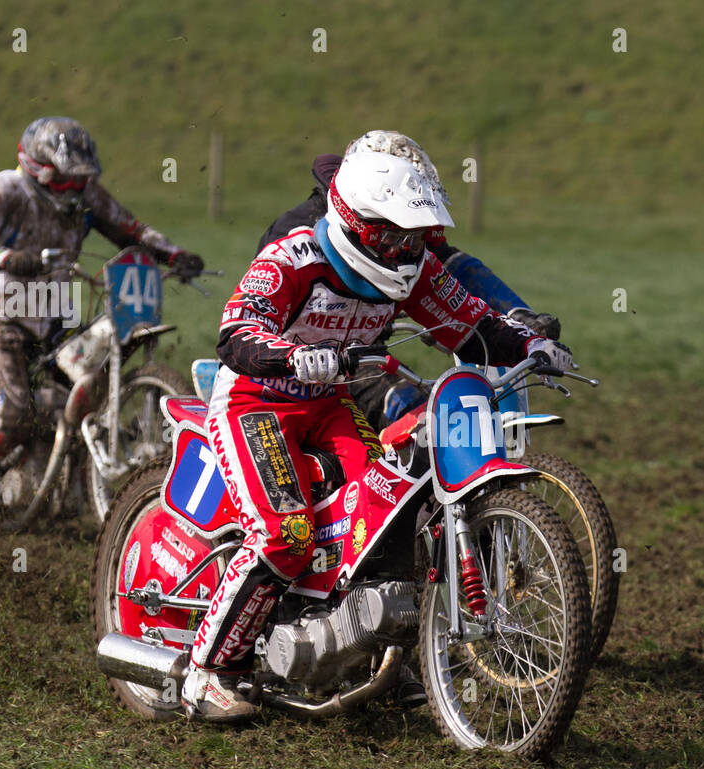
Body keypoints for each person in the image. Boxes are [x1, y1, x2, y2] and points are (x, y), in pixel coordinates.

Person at [182, 139, 575, 722]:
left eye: (414, 238)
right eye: (393, 237)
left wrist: (532, 345)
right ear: (357, 223)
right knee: (287, 534)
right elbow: (236, 333)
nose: (404, 251)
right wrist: (292, 356)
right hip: (255, 402)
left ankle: (373, 650)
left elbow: (472, 325)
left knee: (388, 507)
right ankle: (209, 670)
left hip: (332, 403)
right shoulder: (293, 256)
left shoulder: (415, 272)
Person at [0, 116, 205, 523]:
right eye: (67, 180)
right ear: (40, 171)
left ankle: (59, 488)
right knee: (12, 414)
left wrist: (173, 255)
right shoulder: (4, 189)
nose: (76, 188)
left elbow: (131, 229)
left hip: (52, 322)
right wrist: (9, 258)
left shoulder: (88, 196)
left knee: (74, 394)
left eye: (81, 179)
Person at [258, 131, 560, 429]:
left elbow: (451, 266)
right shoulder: (296, 236)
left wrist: (521, 317)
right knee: (411, 415)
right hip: (296, 371)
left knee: (444, 420)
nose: (407, 246)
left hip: (366, 352)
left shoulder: (409, 238)